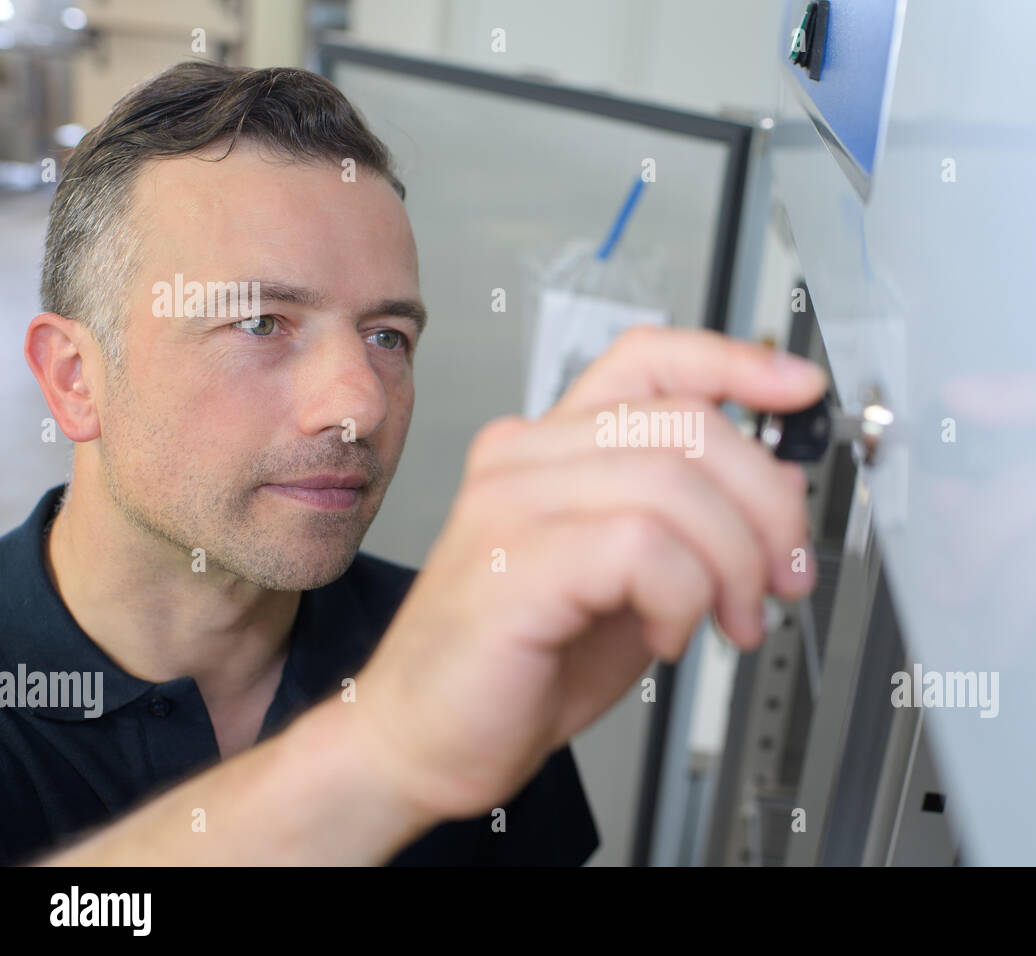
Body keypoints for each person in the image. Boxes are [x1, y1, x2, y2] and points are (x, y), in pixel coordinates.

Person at [0, 62, 824, 865]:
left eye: (387, 337)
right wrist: (383, 752)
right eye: (261, 324)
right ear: (75, 379)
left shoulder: (461, 643)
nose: (359, 404)